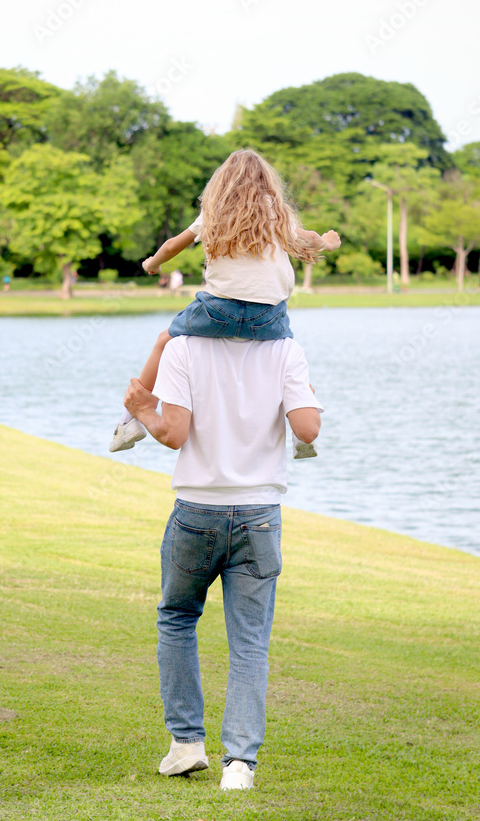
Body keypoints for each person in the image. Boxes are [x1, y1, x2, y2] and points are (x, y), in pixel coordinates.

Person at [123, 329, 323, 790]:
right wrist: (306, 398)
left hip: (197, 510)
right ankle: (240, 766)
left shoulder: (182, 348)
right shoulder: (285, 349)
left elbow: (172, 434)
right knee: (250, 641)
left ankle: (187, 745)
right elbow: (308, 430)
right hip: (260, 515)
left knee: (176, 619)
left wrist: (142, 411)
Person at [109, 148, 340, 454]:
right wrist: (328, 242)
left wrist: (152, 263)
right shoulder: (277, 214)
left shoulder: (213, 213)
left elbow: (171, 245)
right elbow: (309, 238)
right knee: (288, 357)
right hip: (269, 318)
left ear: (222, 183)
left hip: (217, 311)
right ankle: (300, 431)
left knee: (164, 340)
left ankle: (128, 422)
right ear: (267, 183)